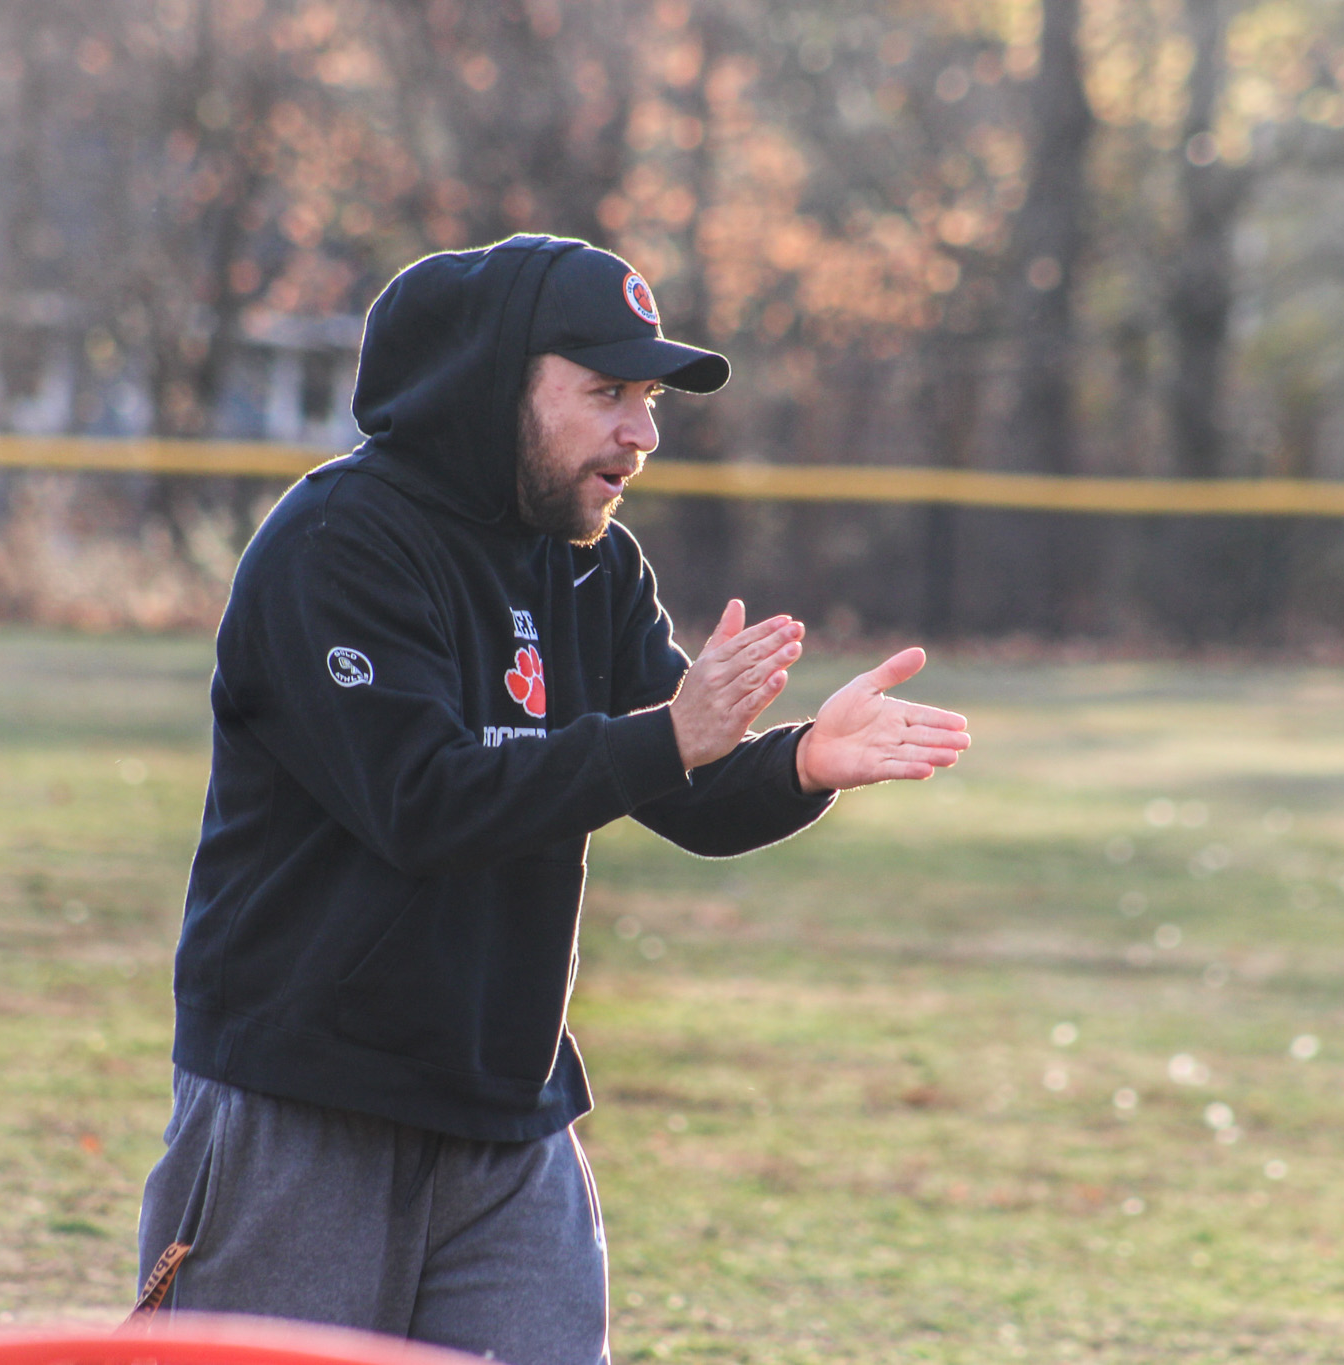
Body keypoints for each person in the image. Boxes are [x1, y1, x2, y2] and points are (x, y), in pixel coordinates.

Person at [135, 236, 969, 1363]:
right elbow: (421, 802)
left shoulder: (594, 566)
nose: (643, 433)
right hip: (305, 1101)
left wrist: (800, 763)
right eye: (607, 392)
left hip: (506, 1113)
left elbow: (685, 785)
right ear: (494, 386)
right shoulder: (338, 543)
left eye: (649, 400)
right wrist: (666, 737)